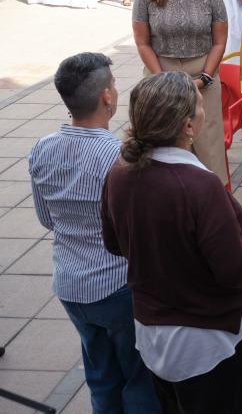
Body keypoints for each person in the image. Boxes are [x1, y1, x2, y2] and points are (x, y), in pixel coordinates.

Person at [101, 71, 242, 411]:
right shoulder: (198, 186)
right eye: (201, 106)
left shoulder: (119, 172)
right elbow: (235, 271)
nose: (205, 112)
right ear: (188, 126)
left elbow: (115, 244)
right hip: (208, 344)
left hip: (154, 337)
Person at [29, 53, 159, 414]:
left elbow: (46, 219)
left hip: (70, 285)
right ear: (106, 97)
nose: (116, 91)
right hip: (118, 286)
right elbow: (139, 232)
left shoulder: (42, 149)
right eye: (114, 85)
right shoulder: (119, 158)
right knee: (140, 380)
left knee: (101, 378)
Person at [133, 0, 228, 183]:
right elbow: (142, 42)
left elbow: (219, 42)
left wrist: (206, 76)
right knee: (164, 141)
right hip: (160, 74)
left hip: (203, 75)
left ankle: (215, 199)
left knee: (207, 143)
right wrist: (162, 80)